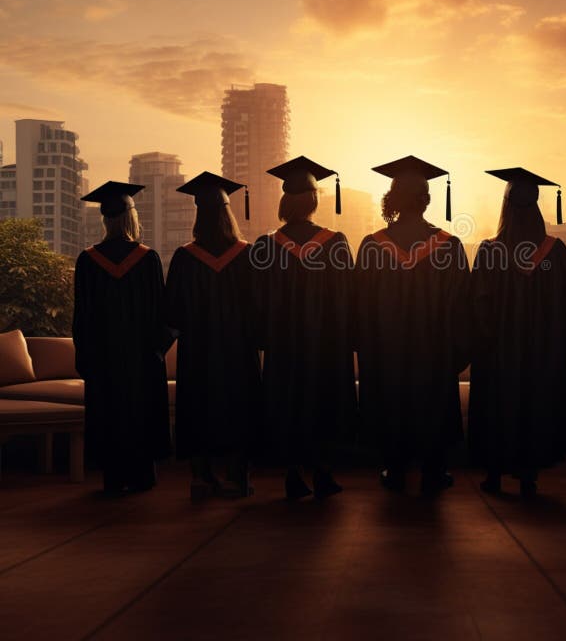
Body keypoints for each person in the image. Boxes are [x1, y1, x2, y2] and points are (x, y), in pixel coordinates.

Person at [355, 155, 469, 495]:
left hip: (386, 350)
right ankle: (434, 469)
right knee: (432, 402)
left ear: (392, 199)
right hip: (434, 351)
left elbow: (360, 306)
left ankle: (395, 467)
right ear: (428, 199)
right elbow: (462, 306)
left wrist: (369, 344)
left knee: (391, 401)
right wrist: (455, 348)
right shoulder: (449, 247)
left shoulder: (373, 246)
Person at [253, 156, 356, 500]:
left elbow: (258, 302)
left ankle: (293, 474)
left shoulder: (266, 246)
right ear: (314, 200)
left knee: (289, 404)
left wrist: (267, 338)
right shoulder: (335, 242)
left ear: (285, 201)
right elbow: (347, 298)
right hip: (325, 345)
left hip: (284, 347)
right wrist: (344, 338)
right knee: (323, 402)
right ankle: (324, 473)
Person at [468, 168, 566, 498]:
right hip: (543, 353)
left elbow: (478, 305)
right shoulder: (556, 253)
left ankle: (495, 475)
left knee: (500, 406)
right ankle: (529, 475)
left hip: (499, 353)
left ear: (506, 207)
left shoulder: (489, 251)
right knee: (535, 404)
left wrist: (487, 342)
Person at [166, 171, 261, 501]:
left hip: (198, 353)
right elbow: (259, 307)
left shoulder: (183, 258)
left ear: (198, 215)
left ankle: (201, 478)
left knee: (199, 409)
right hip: (238, 352)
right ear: (228, 213)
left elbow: (172, 312)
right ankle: (237, 477)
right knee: (239, 409)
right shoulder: (248, 255)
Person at [73, 181, 171, 495]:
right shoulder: (148, 259)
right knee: (140, 413)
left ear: (105, 219)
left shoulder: (88, 261)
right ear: (132, 217)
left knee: (110, 414)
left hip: (104, 361)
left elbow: (82, 317)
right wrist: (157, 348)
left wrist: (87, 357)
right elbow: (161, 313)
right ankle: (143, 475)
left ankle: (113, 478)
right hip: (142, 359)